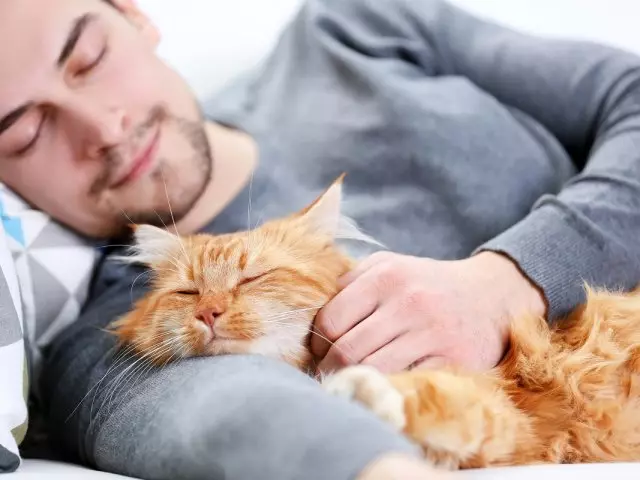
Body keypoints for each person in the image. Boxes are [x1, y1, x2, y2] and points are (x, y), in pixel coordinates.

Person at [1, 0, 640, 478]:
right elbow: (229, 418)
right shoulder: (113, 329)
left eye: (89, 58)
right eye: (24, 134)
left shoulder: (349, 27)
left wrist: (510, 278)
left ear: (134, 17)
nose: (104, 131)